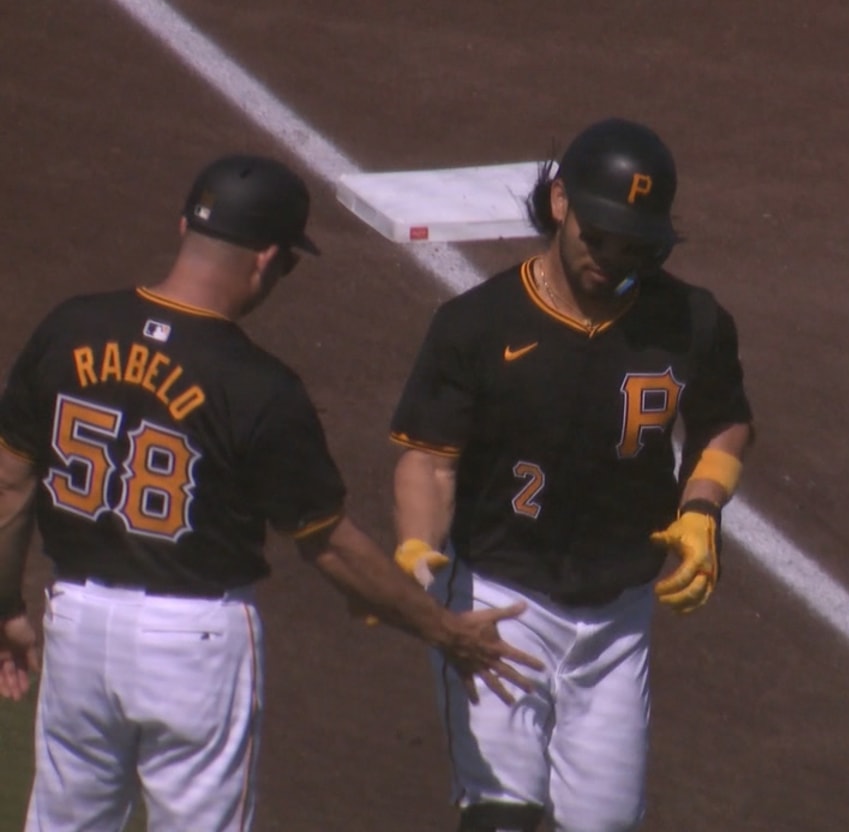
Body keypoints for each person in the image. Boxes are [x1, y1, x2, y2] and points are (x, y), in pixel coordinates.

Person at [0, 153, 543, 832]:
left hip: (76, 624)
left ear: (184, 226)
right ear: (266, 260)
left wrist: (5, 606)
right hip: (193, 644)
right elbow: (331, 546)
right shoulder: (257, 386)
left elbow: (9, 483)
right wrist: (444, 631)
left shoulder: (69, 327)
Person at [387, 117, 755, 832]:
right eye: (600, 235)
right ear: (561, 203)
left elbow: (725, 419)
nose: (612, 258)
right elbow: (429, 460)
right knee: (502, 815)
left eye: (635, 244)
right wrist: (417, 552)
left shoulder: (691, 321)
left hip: (617, 615)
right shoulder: (478, 324)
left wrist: (702, 507)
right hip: (501, 596)